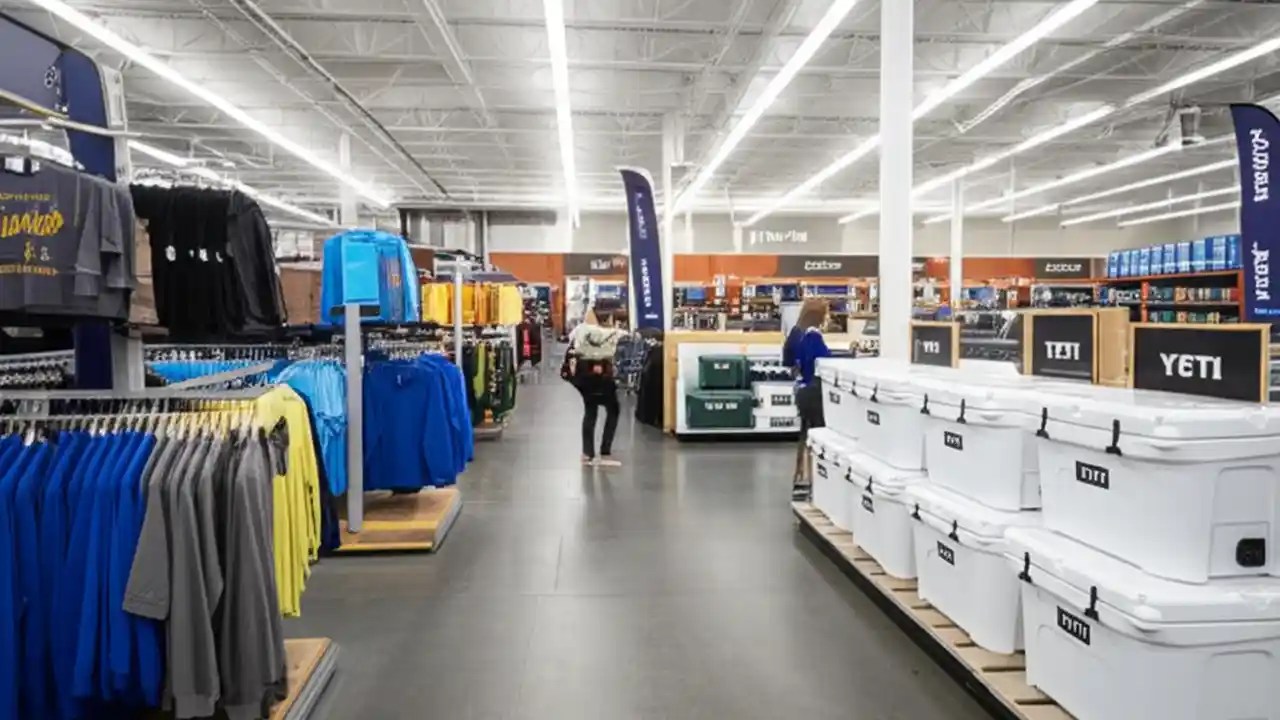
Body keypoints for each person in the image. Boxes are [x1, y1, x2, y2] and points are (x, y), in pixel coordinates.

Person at [784, 298, 831, 500]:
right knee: (819, 437)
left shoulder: (797, 332)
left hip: (802, 391)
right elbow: (823, 363)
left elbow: (787, 359)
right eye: (827, 314)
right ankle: (817, 484)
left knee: (805, 436)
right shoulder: (814, 337)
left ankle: (801, 478)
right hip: (815, 393)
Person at [567, 310, 626, 466]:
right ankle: (605, 451)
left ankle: (587, 453)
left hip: (584, 374)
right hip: (602, 374)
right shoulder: (610, 333)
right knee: (613, 410)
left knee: (590, 411)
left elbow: (573, 344)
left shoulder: (580, 330)